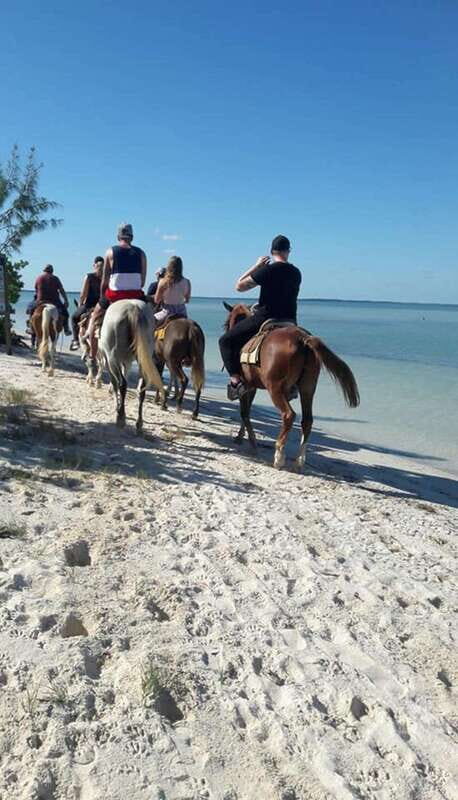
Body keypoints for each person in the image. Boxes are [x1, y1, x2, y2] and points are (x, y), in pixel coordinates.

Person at [219, 235, 301, 400]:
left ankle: (236, 382)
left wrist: (256, 266)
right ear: (288, 251)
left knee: (225, 341)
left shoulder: (268, 270)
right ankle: (295, 383)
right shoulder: (296, 272)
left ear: (272, 252)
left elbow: (239, 286)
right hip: (291, 321)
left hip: (267, 317)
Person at [81, 223, 146, 347]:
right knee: (151, 317)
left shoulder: (110, 252)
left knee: (95, 315)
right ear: (132, 237)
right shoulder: (141, 253)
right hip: (136, 295)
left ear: (118, 237)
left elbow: (105, 281)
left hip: (115, 295)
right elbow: (142, 282)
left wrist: (102, 298)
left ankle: (90, 346)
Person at [70, 256, 104, 349]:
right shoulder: (107, 278)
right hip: (103, 305)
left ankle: (76, 340)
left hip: (89, 305)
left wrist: (80, 305)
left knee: (73, 318)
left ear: (94, 265)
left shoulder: (89, 277)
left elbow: (83, 294)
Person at [33, 264, 71, 335]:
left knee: (30, 309)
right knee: (66, 313)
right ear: (52, 271)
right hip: (55, 302)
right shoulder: (55, 278)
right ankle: (66, 329)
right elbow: (61, 290)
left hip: (41, 301)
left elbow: (36, 289)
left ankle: (31, 327)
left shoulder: (39, 278)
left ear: (44, 271)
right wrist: (66, 300)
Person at [153, 256, 191, 325]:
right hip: (182, 313)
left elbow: (156, 300)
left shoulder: (163, 282)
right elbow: (187, 300)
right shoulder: (187, 282)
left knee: (151, 321)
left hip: (167, 312)